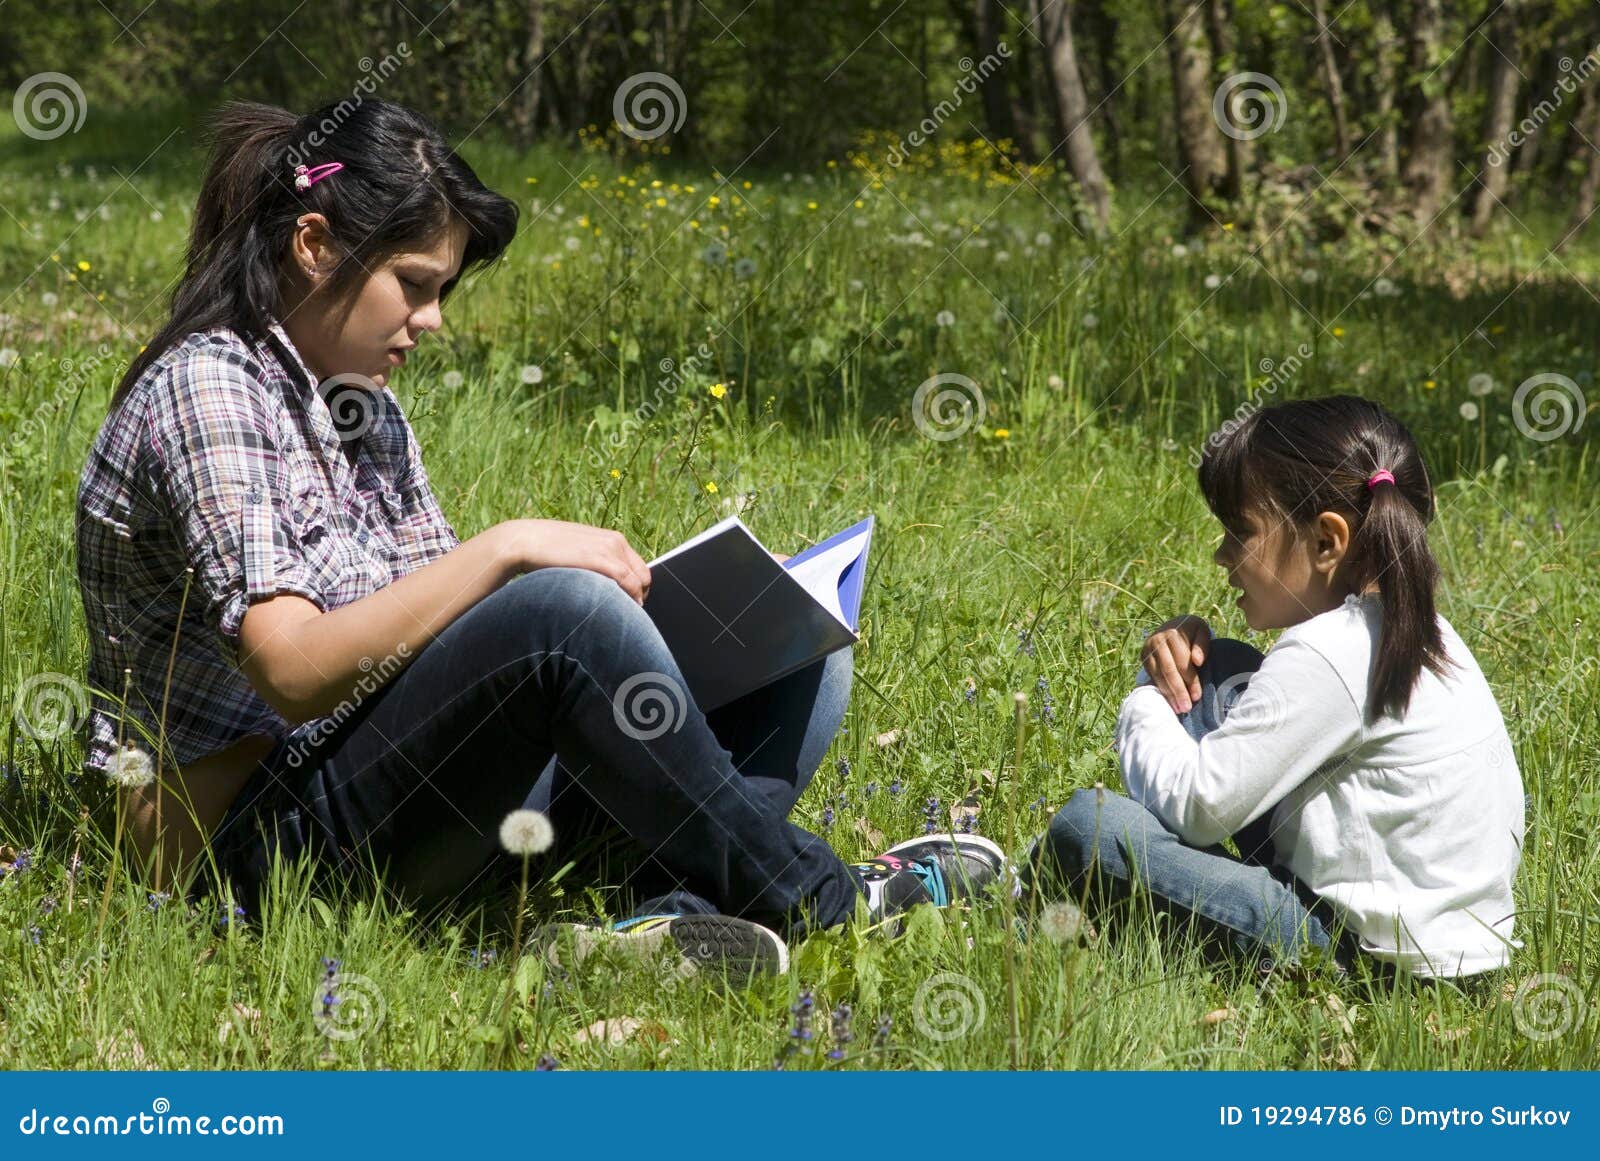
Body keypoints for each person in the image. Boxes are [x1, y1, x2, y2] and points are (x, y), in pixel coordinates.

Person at [74, 97, 1002, 980]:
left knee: (794, 649)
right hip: (255, 857)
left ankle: (658, 921)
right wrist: (505, 552)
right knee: (559, 612)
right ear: (313, 246)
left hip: (401, 799)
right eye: (415, 285)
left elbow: (425, 650)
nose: (432, 320)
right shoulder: (210, 387)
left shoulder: (368, 408)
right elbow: (292, 669)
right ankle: (826, 902)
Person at [1028, 396, 1524, 981]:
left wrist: (1146, 694)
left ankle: (1012, 888)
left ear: (1325, 542)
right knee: (1225, 669)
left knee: (1089, 826)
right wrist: (1184, 667)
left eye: (1240, 532)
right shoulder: (1409, 624)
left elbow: (1198, 809)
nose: (1221, 555)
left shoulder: (1329, 652)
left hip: (1369, 965)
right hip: (1444, 948)